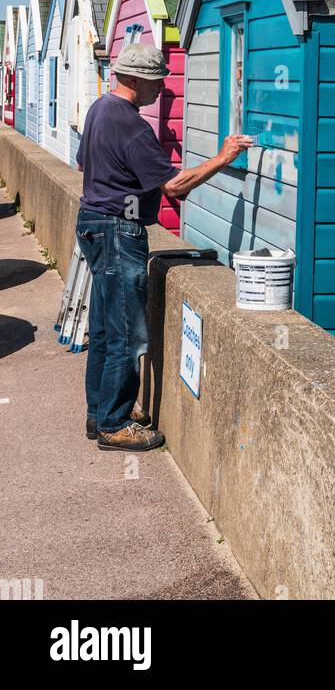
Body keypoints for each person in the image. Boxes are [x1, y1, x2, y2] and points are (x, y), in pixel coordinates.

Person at [75, 43, 250, 451]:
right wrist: (224, 158)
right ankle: (114, 424)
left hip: (93, 224)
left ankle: (99, 410)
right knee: (128, 335)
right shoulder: (133, 126)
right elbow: (174, 185)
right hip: (119, 231)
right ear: (134, 79)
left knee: (103, 329)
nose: (161, 88)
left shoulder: (100, 108)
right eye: (156, 81)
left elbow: (86, 164)